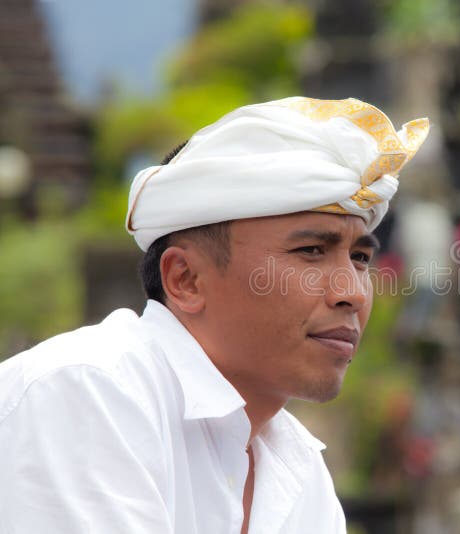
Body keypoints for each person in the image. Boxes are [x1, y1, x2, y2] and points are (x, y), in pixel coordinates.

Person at [0, 97, 429, 534]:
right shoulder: (88, 392)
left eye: (359, 257)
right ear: (185, 280)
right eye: (311, 251)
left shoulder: (299, 469)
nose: (352, 293)